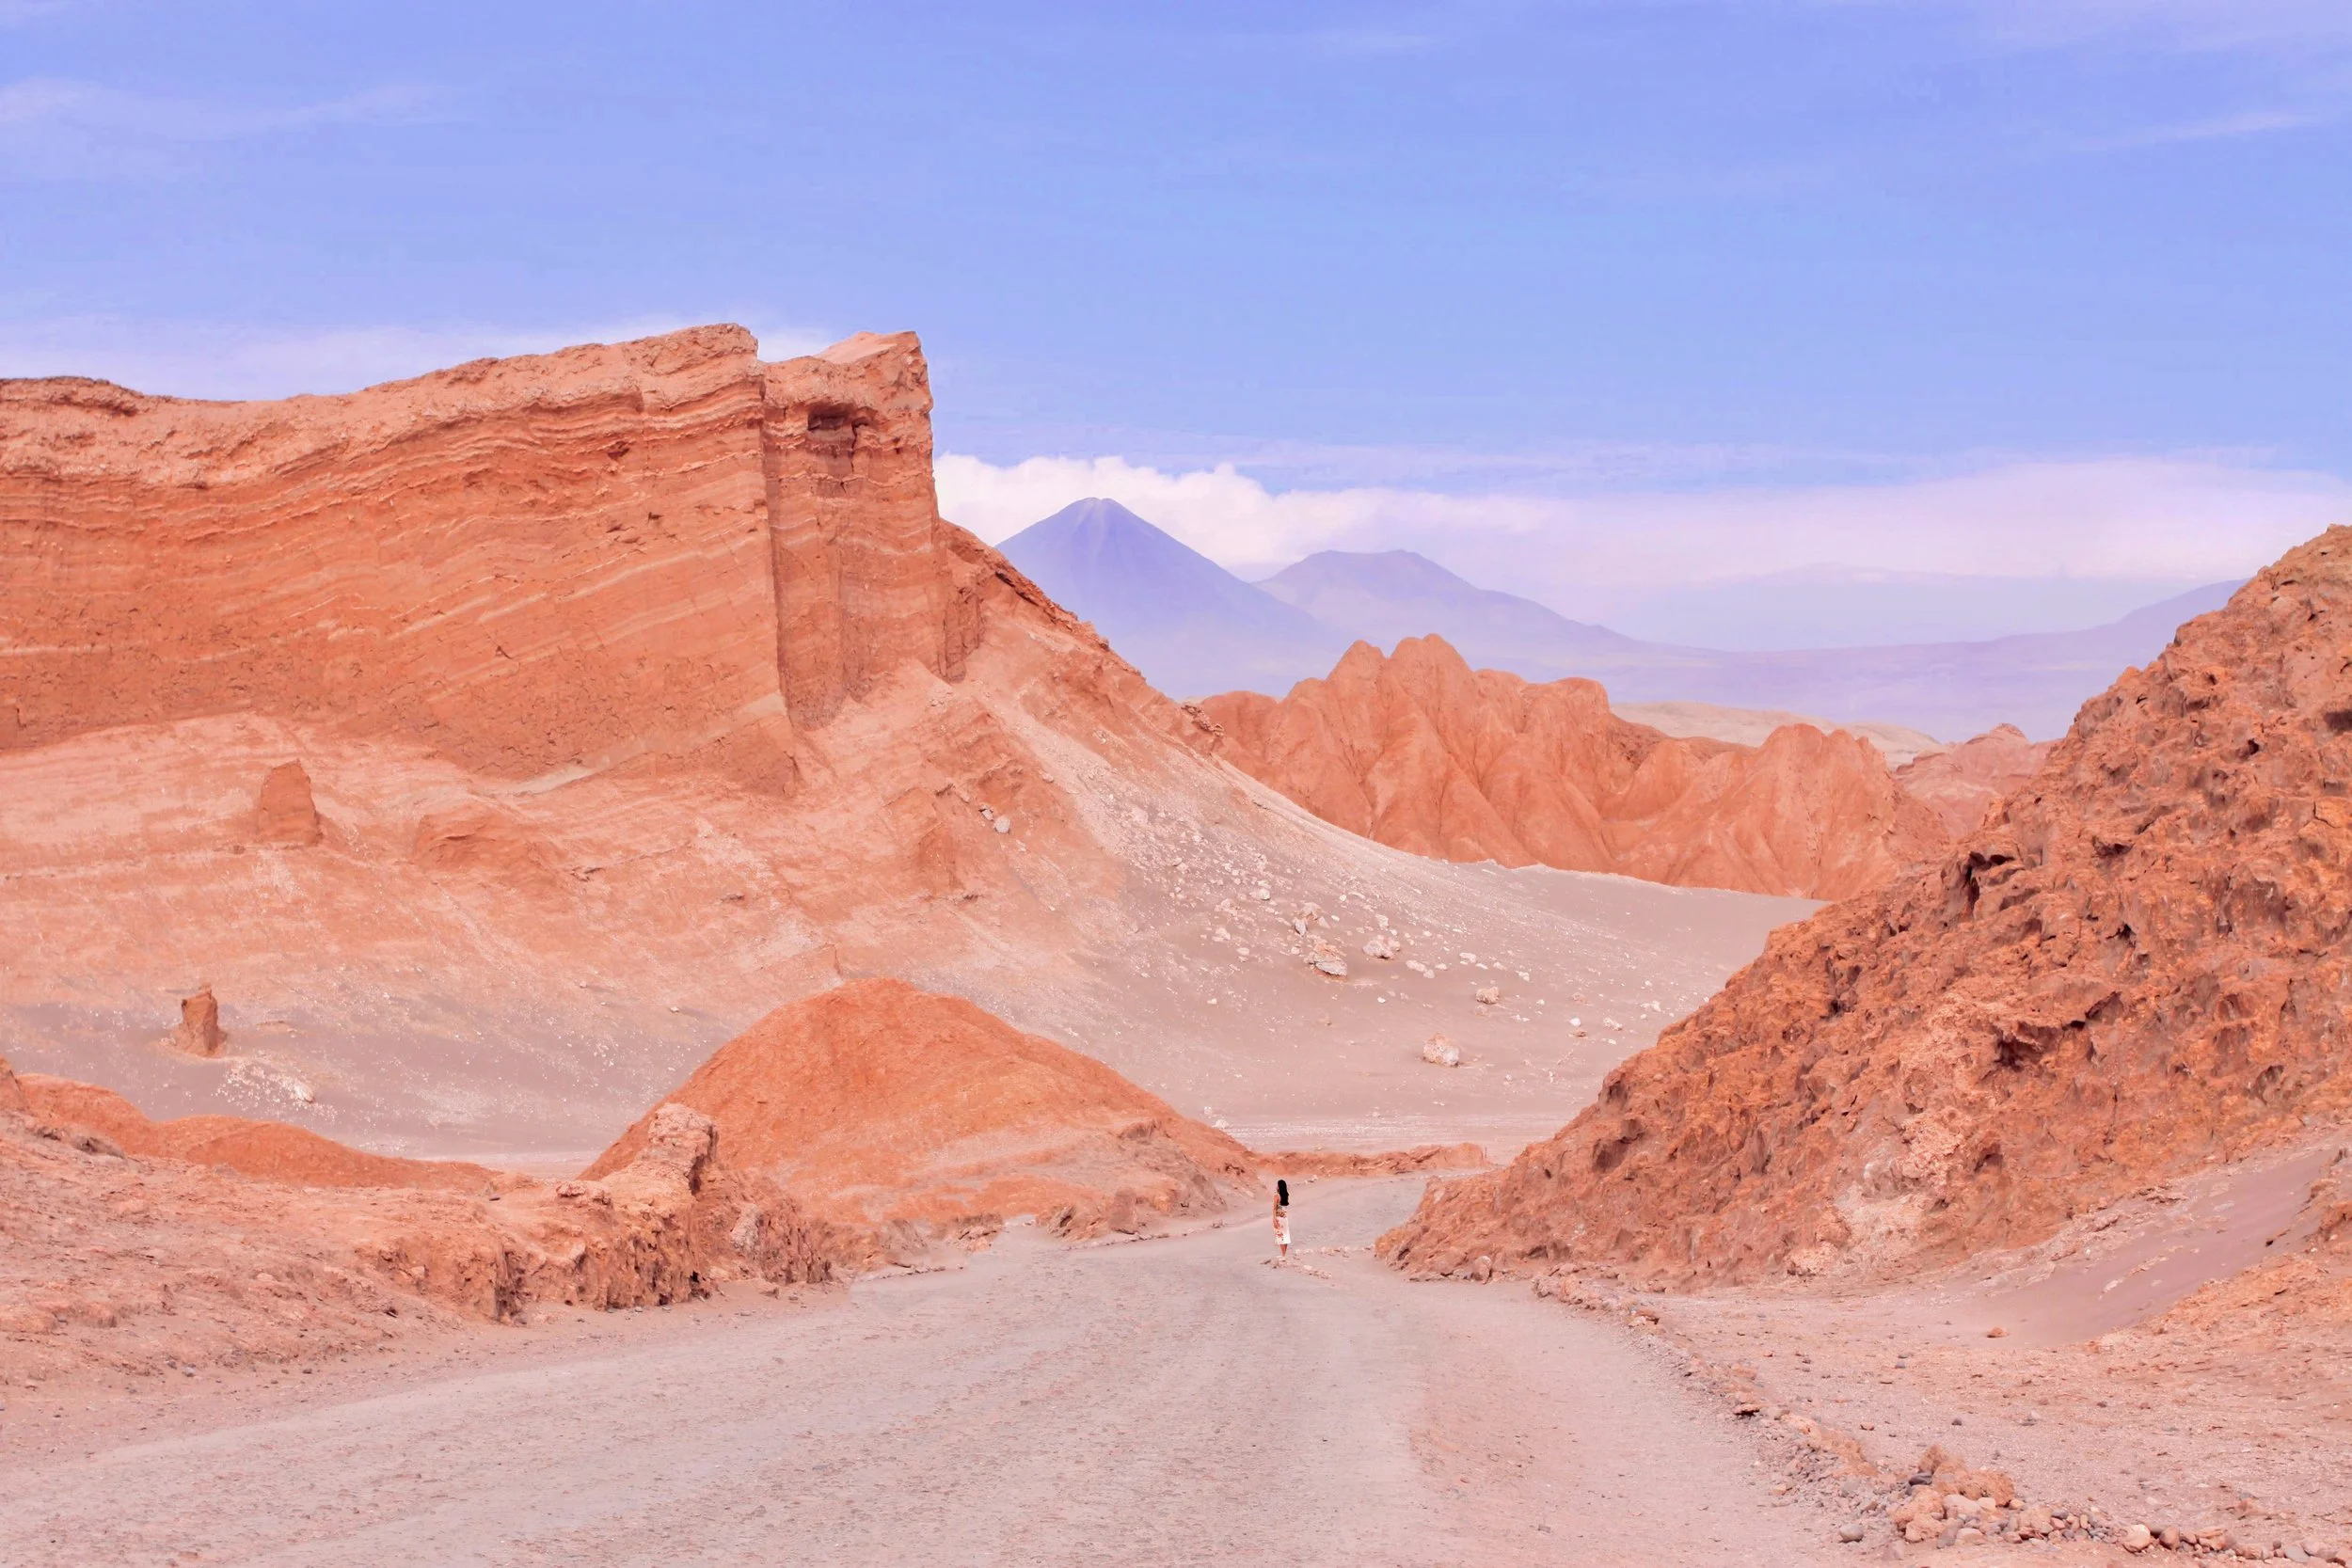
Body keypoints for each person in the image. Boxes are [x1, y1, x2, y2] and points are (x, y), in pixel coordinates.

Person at [1272, 1178, 1292, 1261]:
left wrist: (1274, 1219)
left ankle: (1283, 1255)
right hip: (1285, 1219)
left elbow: (1274, 1209)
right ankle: (1284, 1254)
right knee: (1285, 1236)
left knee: (1280, 1236)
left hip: (1279, 1218)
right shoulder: (1285, 1196)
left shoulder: (1277, 1196)